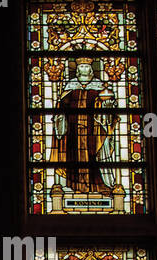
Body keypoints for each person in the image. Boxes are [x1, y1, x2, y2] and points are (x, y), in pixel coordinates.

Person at [50, 58, 118, 193]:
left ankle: (95, 185)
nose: (84, 69)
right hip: (73, 129)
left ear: (91, 69)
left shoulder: (98, 86)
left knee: (93, 155)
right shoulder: (70, 86)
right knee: (73, 157)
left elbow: (107, 107)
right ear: (78, 69)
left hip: (93, 129)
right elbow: (62, 107)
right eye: (81, 67)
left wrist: (107, 105)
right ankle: (75, 185)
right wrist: (61, 108)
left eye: (87, 67)